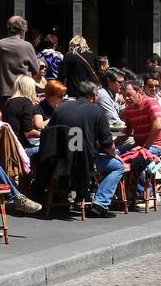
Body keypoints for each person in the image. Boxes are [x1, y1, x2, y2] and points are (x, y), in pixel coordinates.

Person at [49, 80, 125, 219]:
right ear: (94, 96)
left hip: (58, 160)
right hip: (84, 163)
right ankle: (100, 204)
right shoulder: (97, 110)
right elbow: (107, 143)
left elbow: (49, 132)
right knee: (118, 166)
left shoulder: (61, 107)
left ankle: (65, 195)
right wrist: (114, 155)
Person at [0, 15, 39, 107]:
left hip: (1, 94)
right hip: (23, 93)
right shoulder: (27, 46)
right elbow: (36, 70)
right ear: (22, 30)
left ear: (8, 29)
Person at [3, 74, 42, 160]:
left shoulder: (8, 102)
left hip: (9, 148)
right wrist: (46, 134)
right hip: (21, 149)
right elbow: (28, 132)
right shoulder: (26, 102)